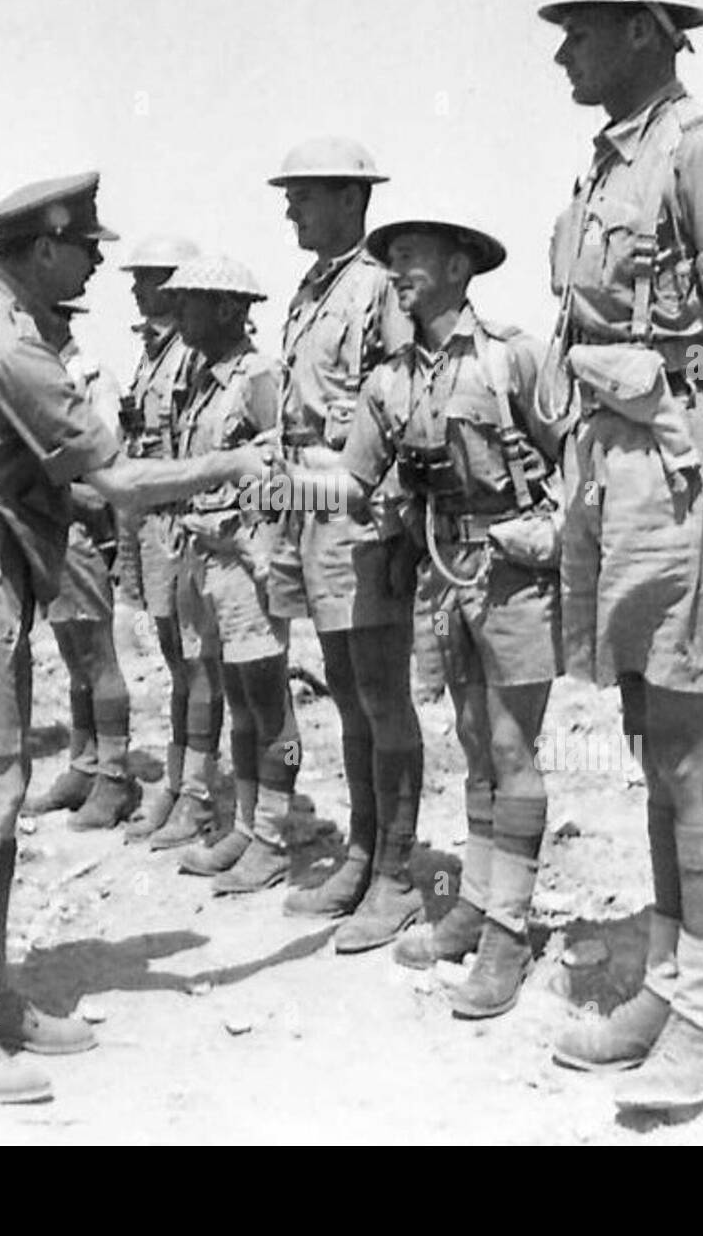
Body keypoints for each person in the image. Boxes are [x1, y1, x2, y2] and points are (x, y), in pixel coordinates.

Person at [0, 174, 273, 1104]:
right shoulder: (11, 347)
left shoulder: (0, 323)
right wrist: (236, 462)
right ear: (43, 248)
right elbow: (117, 482)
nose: (97, 260)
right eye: (86, 246)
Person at [532, 0, 703, 1109]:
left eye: (578, 28)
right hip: (614, 474)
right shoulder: (609, 163)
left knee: (688, 743)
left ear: (643, 30)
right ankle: (671, 976)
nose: (560, 52)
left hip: (682, 475)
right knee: (647, 731)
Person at [273, 216, 566, 1012]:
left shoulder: (513, 356)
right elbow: (356, 483)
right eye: (391, 259)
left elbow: (575, 463)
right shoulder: (388, 381)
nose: (396, 272)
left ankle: (507, 933)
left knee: (510, 748)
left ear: (459, 264)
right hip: (445, 578)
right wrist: (263, 480)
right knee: (475, 744)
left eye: (409, 259)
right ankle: (474, 902)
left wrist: (546, 536)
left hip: (515, 574)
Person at [266, 137, 426, 953]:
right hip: (312, 502)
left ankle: (396, 874)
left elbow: (400, 397)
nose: (289, 207)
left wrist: (396, 521)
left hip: (362, 508)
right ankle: (364, 854)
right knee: (345, 687)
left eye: (303, 194)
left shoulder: (374, 287)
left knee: (381, 692)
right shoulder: (311, 289)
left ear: (348, 199)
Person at [158, 254, 302, 891]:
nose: (178, 314)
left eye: (190, 302)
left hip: (245, 558)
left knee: (267, 700)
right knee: (237, 701)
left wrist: (260, 548)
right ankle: (246, 825)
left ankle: (274, 835)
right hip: (204, 557)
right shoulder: (202, 379)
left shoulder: (258, 376)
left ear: (225, 308)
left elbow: (286, 469)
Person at [109, 235, 224, 847]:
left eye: (148, 277)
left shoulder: (190, 354)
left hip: (184, 519)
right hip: (152, 520)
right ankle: (177, 783)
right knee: (177, 665)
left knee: (199, 665)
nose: (136, 287)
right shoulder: (152, 352)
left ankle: (198, 791)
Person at [23, 305, 136, 827]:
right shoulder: (33, 376)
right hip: (46, 526)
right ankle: (84, 765)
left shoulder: (91, 378)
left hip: (79, 526)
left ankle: (115, 778)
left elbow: (102, 464)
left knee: (97, 654)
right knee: (72, 653)